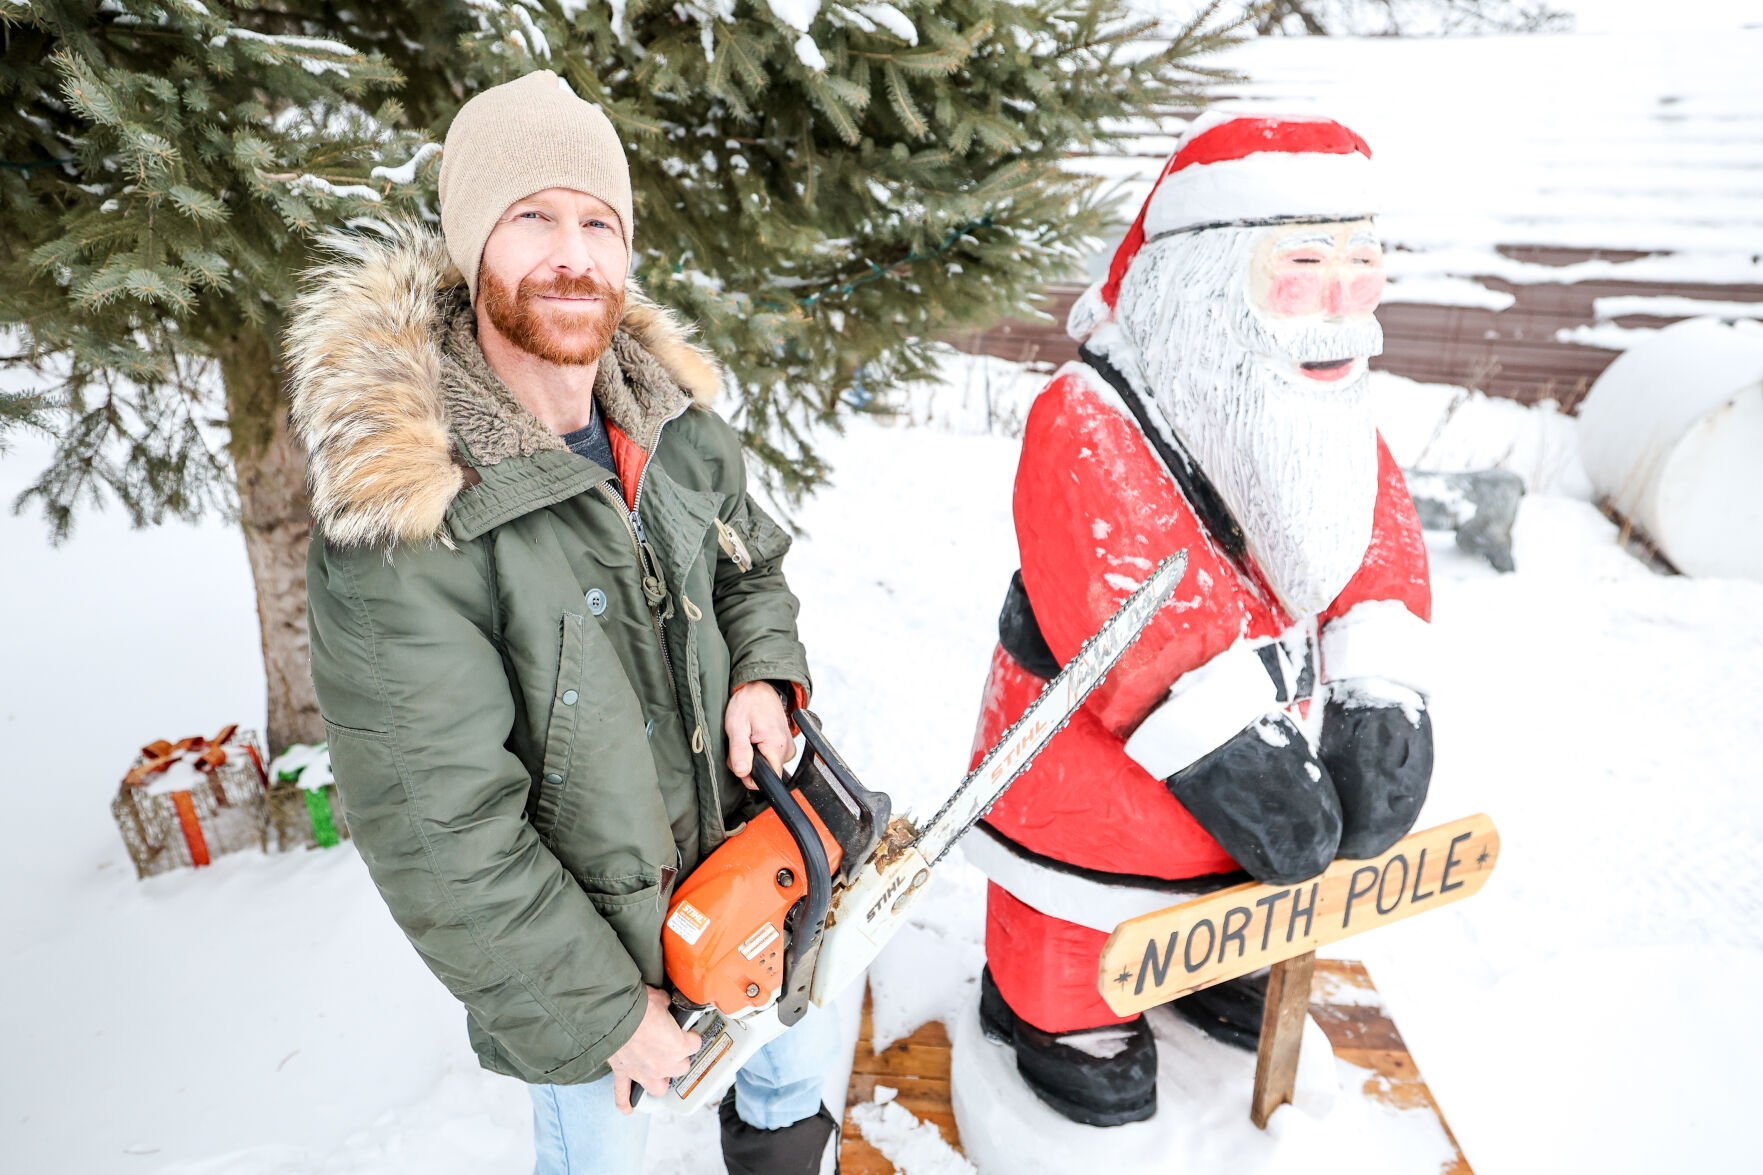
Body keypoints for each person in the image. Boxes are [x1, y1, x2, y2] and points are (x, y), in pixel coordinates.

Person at [289, 69, 840, 1175]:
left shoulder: (676, 433)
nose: (573, 254)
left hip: (754, 872)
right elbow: (444, 836)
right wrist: (601, 1010)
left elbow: (753, 571)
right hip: (594, 969)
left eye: (598, 221)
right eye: (531, 216)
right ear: (469, 244)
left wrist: (764, 677)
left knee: (793, 1075)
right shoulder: (410, 519)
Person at [962, 112, 1435, 1126]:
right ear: (1207, 277)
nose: (1340, 306)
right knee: (1075, 930)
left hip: (1260, 796)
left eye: (1361, 266)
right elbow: (1124, 586)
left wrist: (1377, 689)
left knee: (1242, 890)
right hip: (1094, 779)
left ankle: (1205, 959)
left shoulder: (1328, 412)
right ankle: (1052, 1009)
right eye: (1301, 267)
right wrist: (1230, 751)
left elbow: (1372, 542)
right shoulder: (1084, 416)